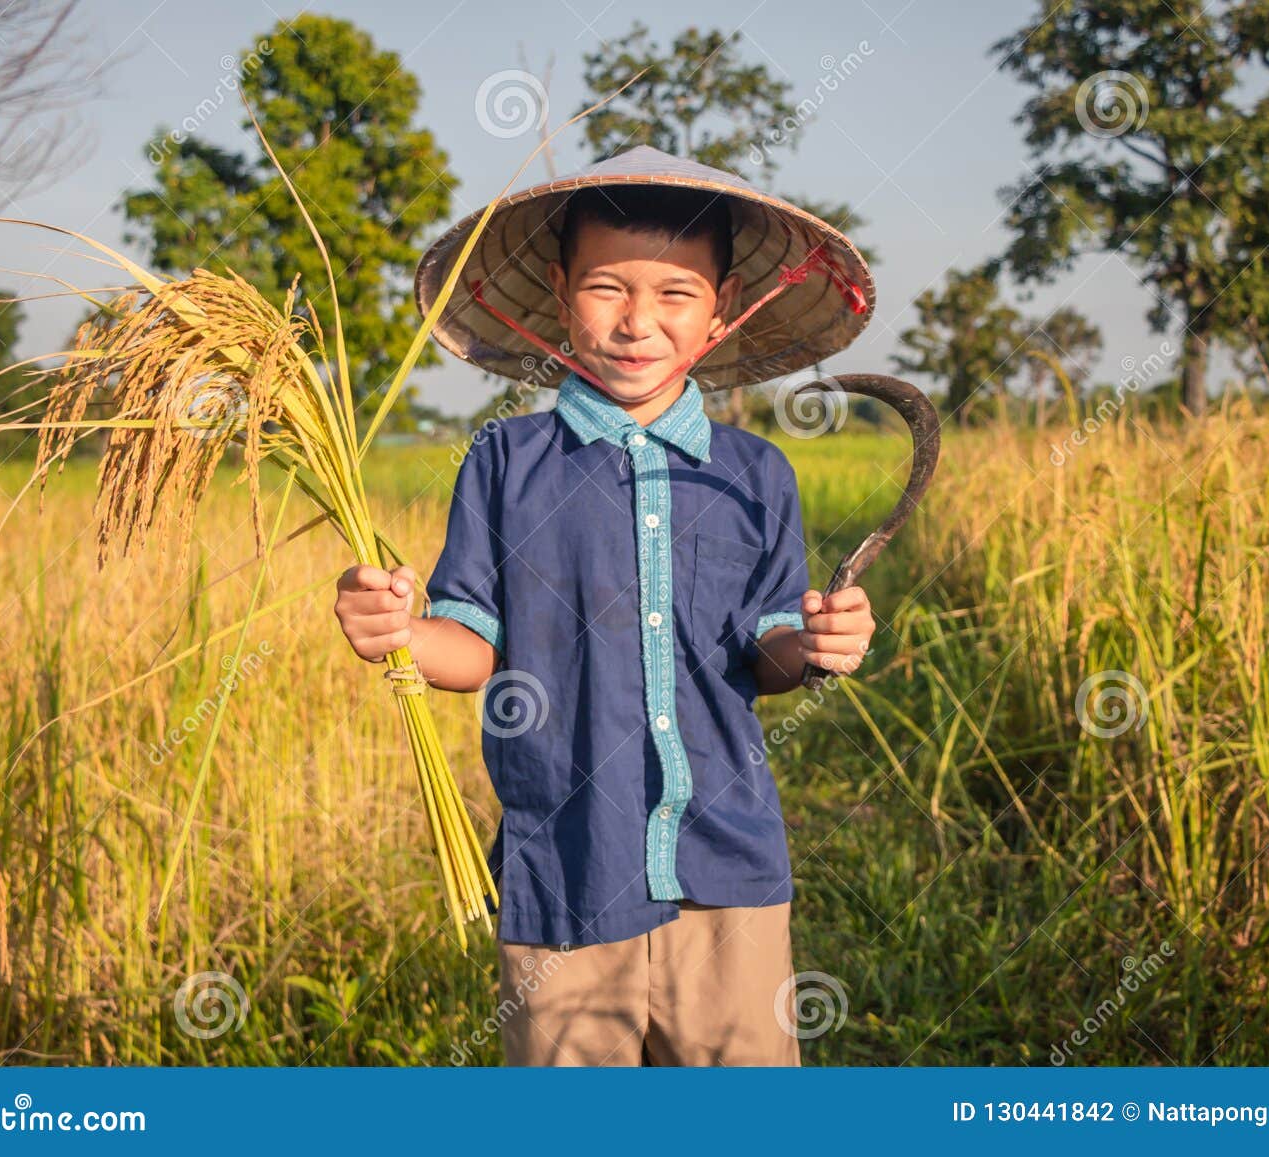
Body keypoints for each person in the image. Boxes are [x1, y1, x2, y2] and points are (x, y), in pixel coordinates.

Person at [333, 145, 877, 1066]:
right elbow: (471, 642)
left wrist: (822, 643)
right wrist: (401, 635)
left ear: (719, 307)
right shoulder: (505, 463)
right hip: (565, 870)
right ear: (558, 291)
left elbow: (771, 646)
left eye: (674, 292)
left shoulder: (756, 475)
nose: (637, 321)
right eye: (605, 288)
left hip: (727, 869)